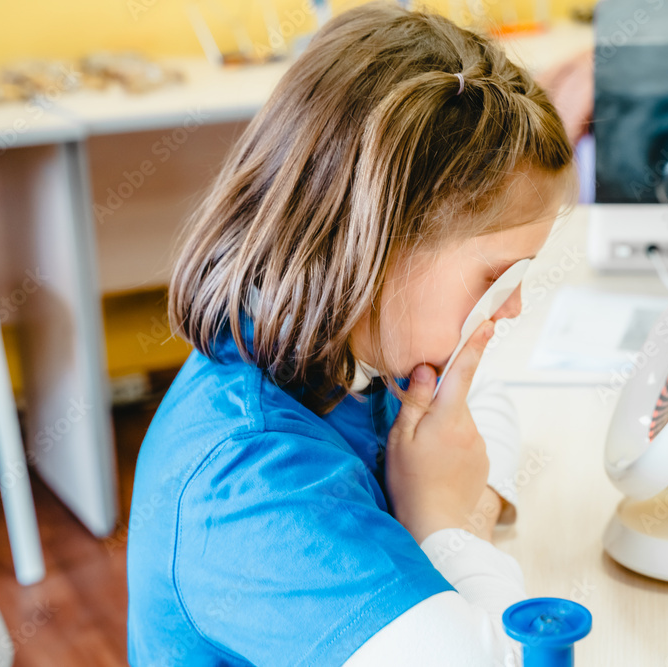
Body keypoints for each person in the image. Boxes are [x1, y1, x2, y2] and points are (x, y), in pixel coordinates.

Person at [126, 3, 578, 665]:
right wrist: (443, 521)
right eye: (496, 278)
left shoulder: (348, 345)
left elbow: (488, 409)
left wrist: (448, 494)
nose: (509, 311)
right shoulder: (248, 489)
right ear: (380, 248)